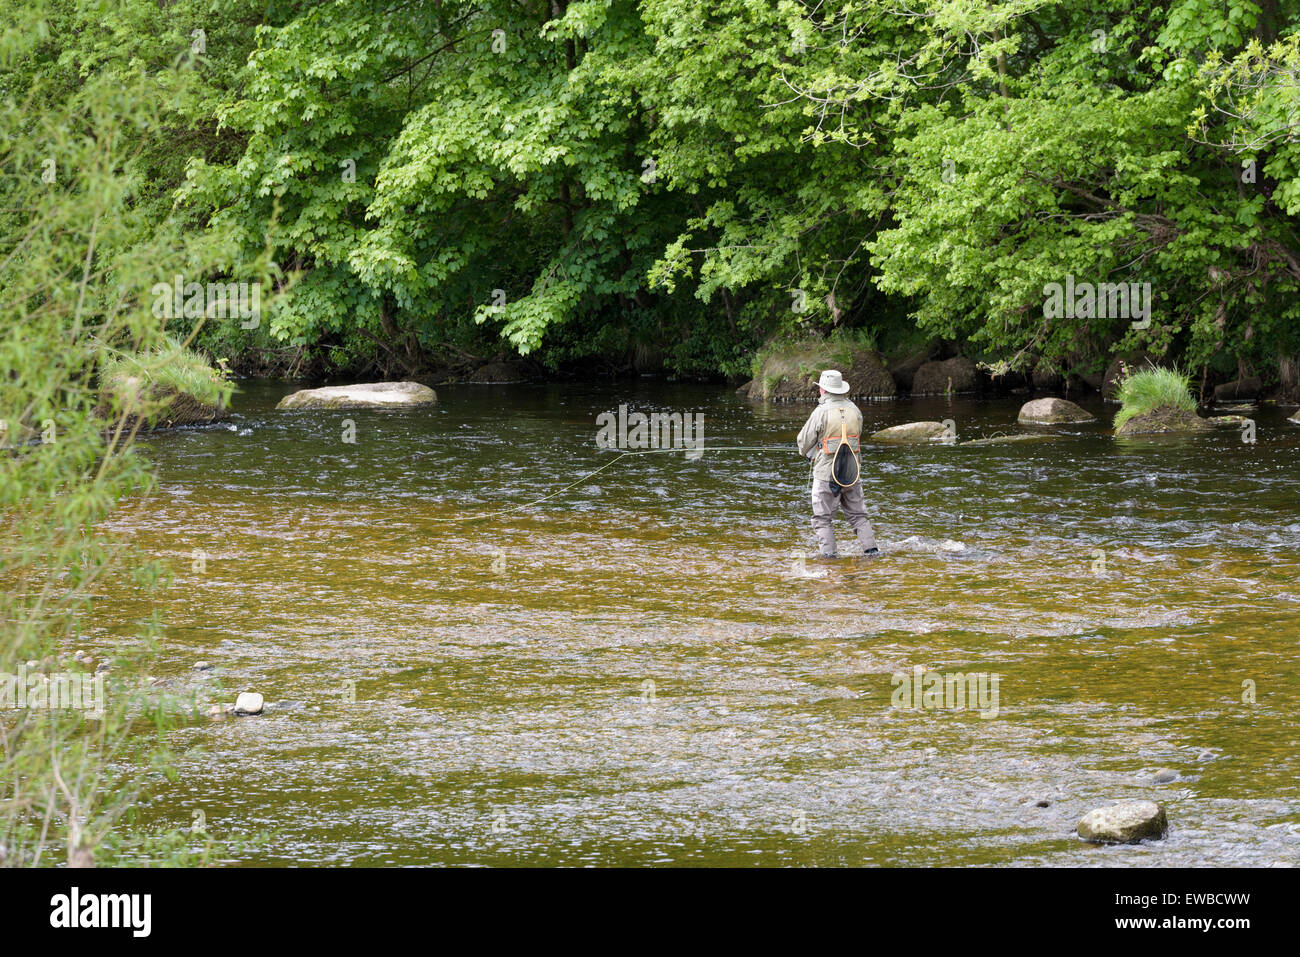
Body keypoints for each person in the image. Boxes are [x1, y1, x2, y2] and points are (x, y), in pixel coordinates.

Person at [796, 370, 879, 558]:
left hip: (826, 475)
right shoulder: (855, 411)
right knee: (858, 516)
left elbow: (802, 442)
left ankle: (829, 558)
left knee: (822, 519)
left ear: (823, 390)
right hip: (852, 472)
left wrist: (809, 453)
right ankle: (872, 553)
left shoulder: (820, 412)